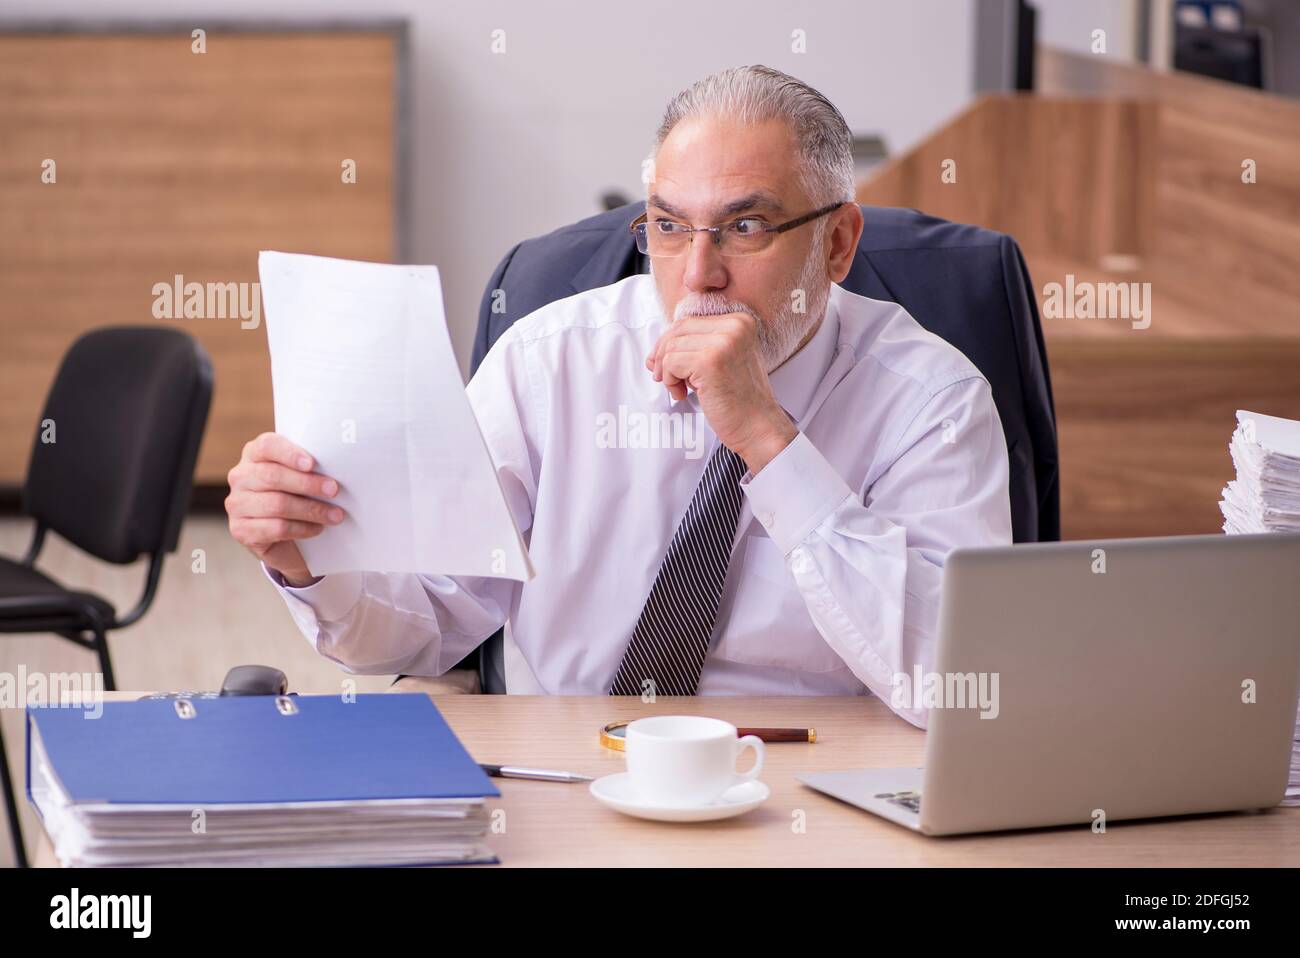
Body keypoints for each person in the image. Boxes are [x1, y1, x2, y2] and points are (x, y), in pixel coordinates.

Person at [225, 65, 1011, 727]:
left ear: (837, 243)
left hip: (807, 776)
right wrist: (313, 563)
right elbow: (425, 628)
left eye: (745, 227)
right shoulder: (549, 364)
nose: (698, 274)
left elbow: (958, 688)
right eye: (670, 227)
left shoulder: (931, 400)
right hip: (571, 765)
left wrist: (771, 445)